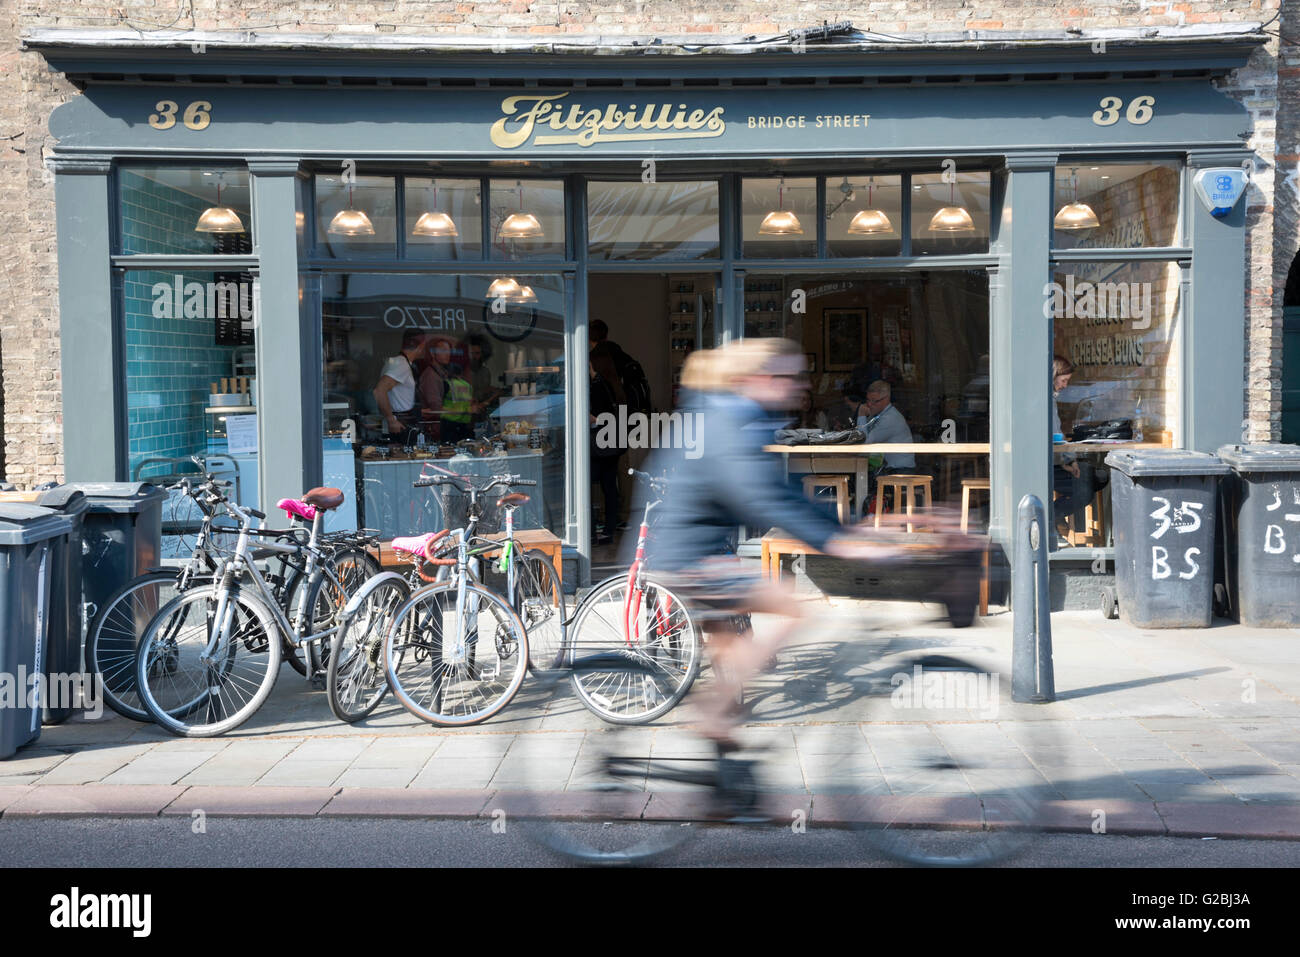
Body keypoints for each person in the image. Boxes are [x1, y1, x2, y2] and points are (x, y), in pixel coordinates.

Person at [645, 338, 909, 746]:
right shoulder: (730, 420)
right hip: (689, 559)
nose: (798, 385)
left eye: (797, 376)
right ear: (756, 379)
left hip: (696, 551)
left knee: (729, 636)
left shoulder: (734, 415)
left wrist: (843, 531)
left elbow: (778, 494)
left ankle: (720, 736)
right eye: (785, 377)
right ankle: (712, 715)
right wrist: (838, 539)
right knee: (793, 609)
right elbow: (764, 497)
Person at [589, 340, 627, 545]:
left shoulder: (597, 386)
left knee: (588, 488)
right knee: (610, 488)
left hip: (599, 443)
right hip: (612, 442)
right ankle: (609, 530)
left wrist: (588, 417)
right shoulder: (614, 383)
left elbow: (597, 418)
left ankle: (592, 533)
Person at [373, 329, 426, 444]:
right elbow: (379, 391)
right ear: (421, 346)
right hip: (400, 424)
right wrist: (391, 420)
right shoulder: (401, 364)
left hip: (403, 420)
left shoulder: (400, 363)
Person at [418, 337, 474, 444]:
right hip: (437, 431)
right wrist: (460, 411)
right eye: (443, 350)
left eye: (449, 351)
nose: (447, 354)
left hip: (450, 427)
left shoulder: (444, 374)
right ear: (433, 354)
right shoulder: (431, 376)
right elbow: (436, 408)